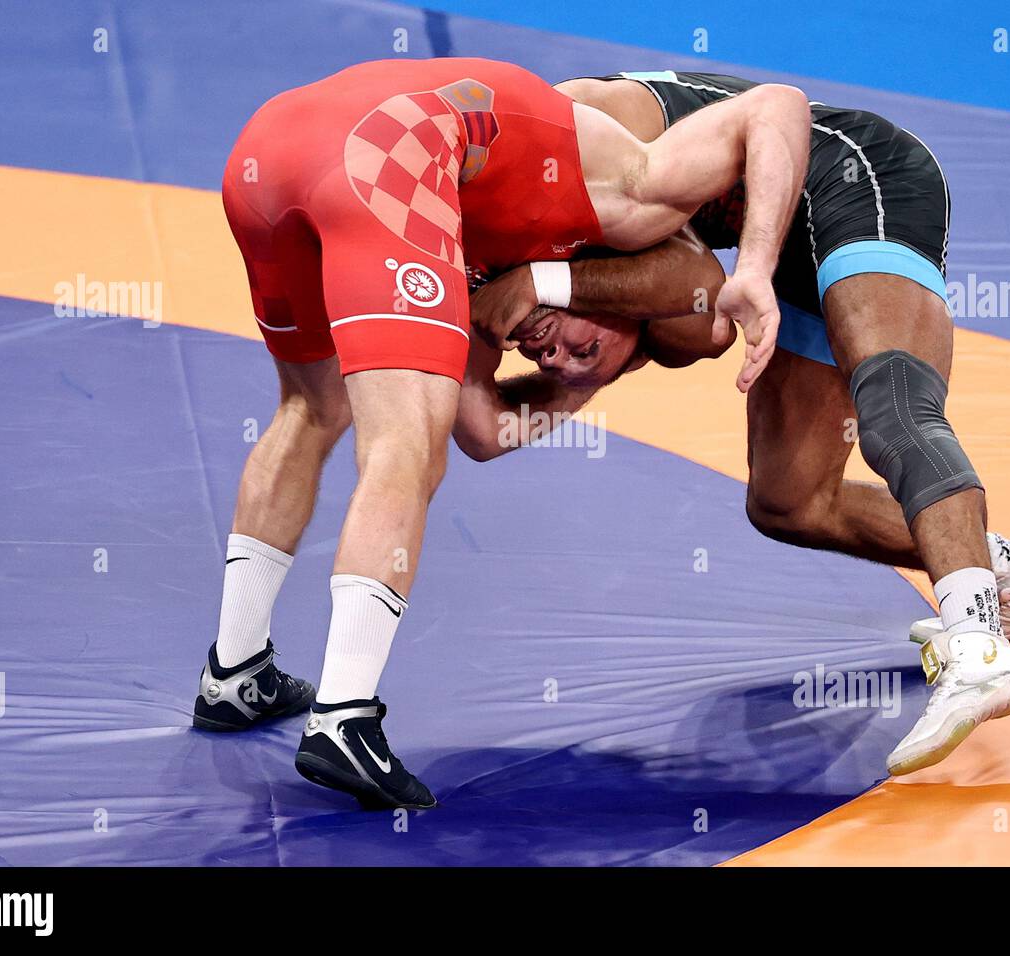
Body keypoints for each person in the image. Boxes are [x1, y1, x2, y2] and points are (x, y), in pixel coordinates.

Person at [192, 58, 812, 809]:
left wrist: (588, 381)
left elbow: (482, 430)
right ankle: (344, 719)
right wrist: (754, 264)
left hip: (267, 150)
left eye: (553, 360)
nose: (549, 355)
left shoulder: (489, 256)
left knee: (312, 409)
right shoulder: (639, 191)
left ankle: (236, 671)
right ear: (617, 293)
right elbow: (778, 103)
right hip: (389, 149)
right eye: (581, 347)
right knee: (400, 445)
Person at [466, 70, 1010, 776]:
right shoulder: (474, 268)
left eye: (547, 337)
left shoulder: (564, 134)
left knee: (892, 406)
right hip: (780, 237)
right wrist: (586, 374)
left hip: (850, 174)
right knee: (789, 501)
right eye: (536, 351)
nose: (548, 356)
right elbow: (497, 427)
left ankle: (980, 654)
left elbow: (778, 109)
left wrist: (751, 268)